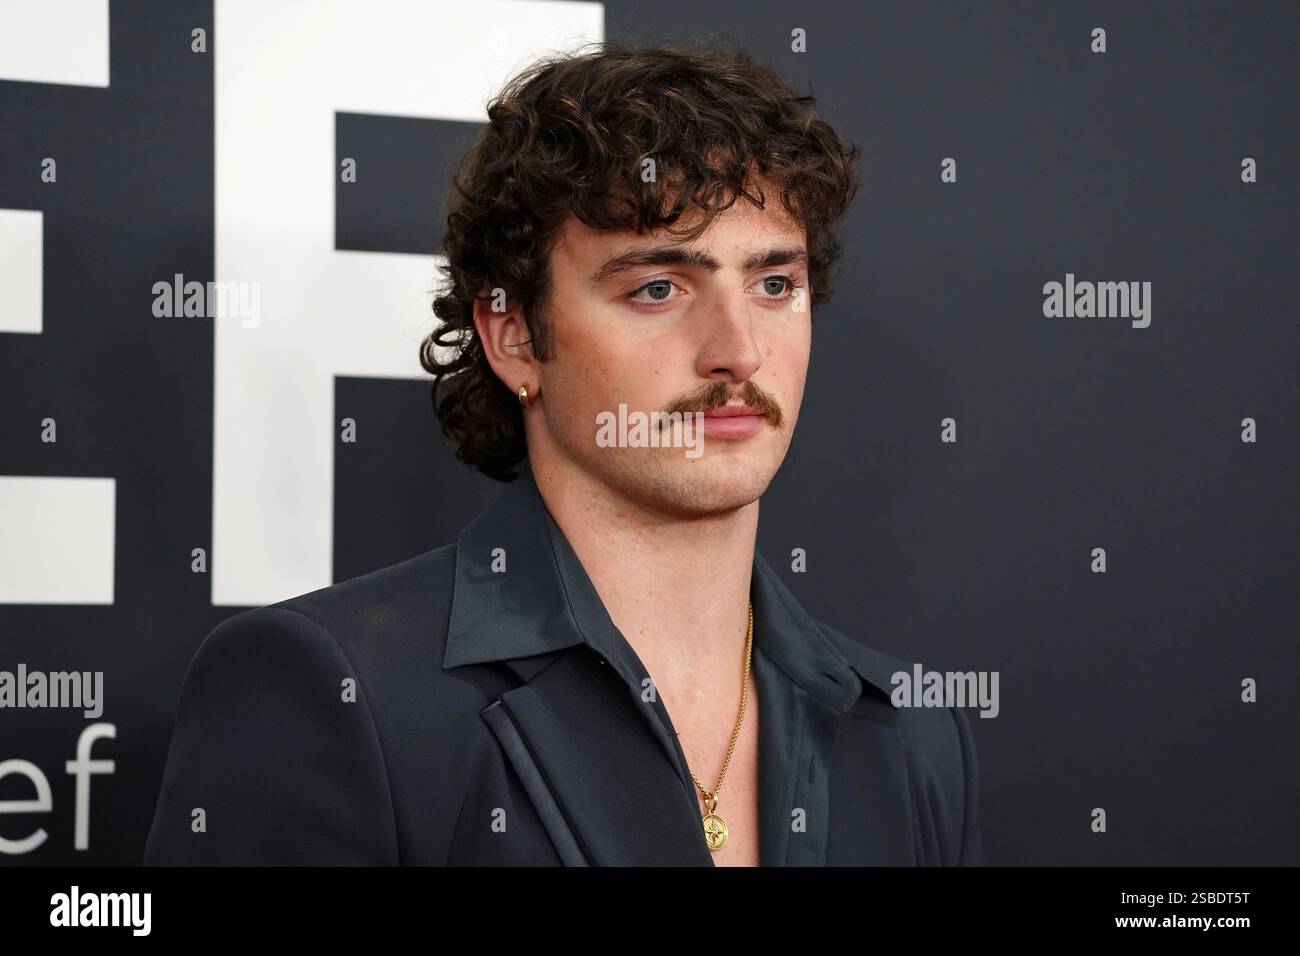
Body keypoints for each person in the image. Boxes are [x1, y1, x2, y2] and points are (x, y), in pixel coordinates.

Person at [144, 41, 983, 867]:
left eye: (774, 285)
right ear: (514, 337)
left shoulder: (910, 731)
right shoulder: (330, 690)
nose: (740, 351)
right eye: (658, 289)